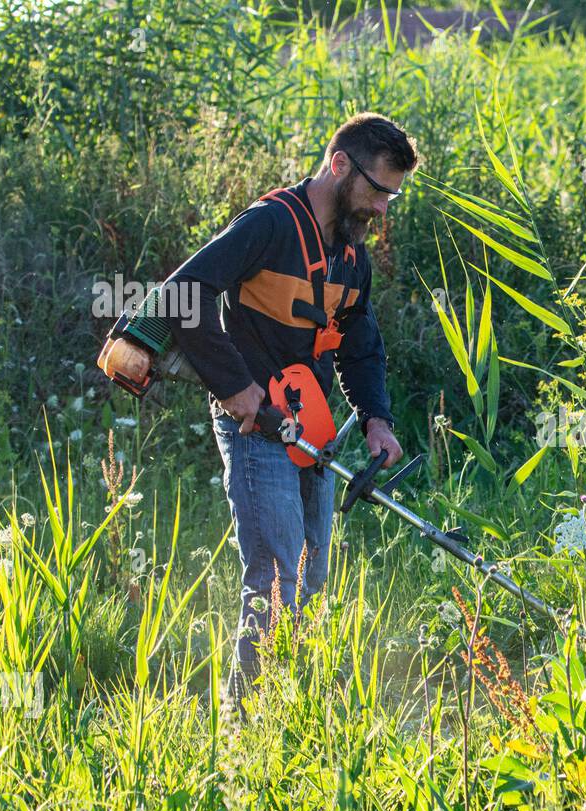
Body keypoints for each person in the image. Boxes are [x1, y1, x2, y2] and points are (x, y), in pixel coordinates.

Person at [160, 112, 418, 710]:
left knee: (311, 585)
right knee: (275, 586)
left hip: (313, 436)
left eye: (392, 196)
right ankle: (243, 735)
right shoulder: (271, 225)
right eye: (378, 191)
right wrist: (236, 389)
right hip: (256, 433)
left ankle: (289, 724)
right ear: (339, 165)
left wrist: (376, 418)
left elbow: (360, 344)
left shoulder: (352, 257)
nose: (383, 209)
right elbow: (183, 293)